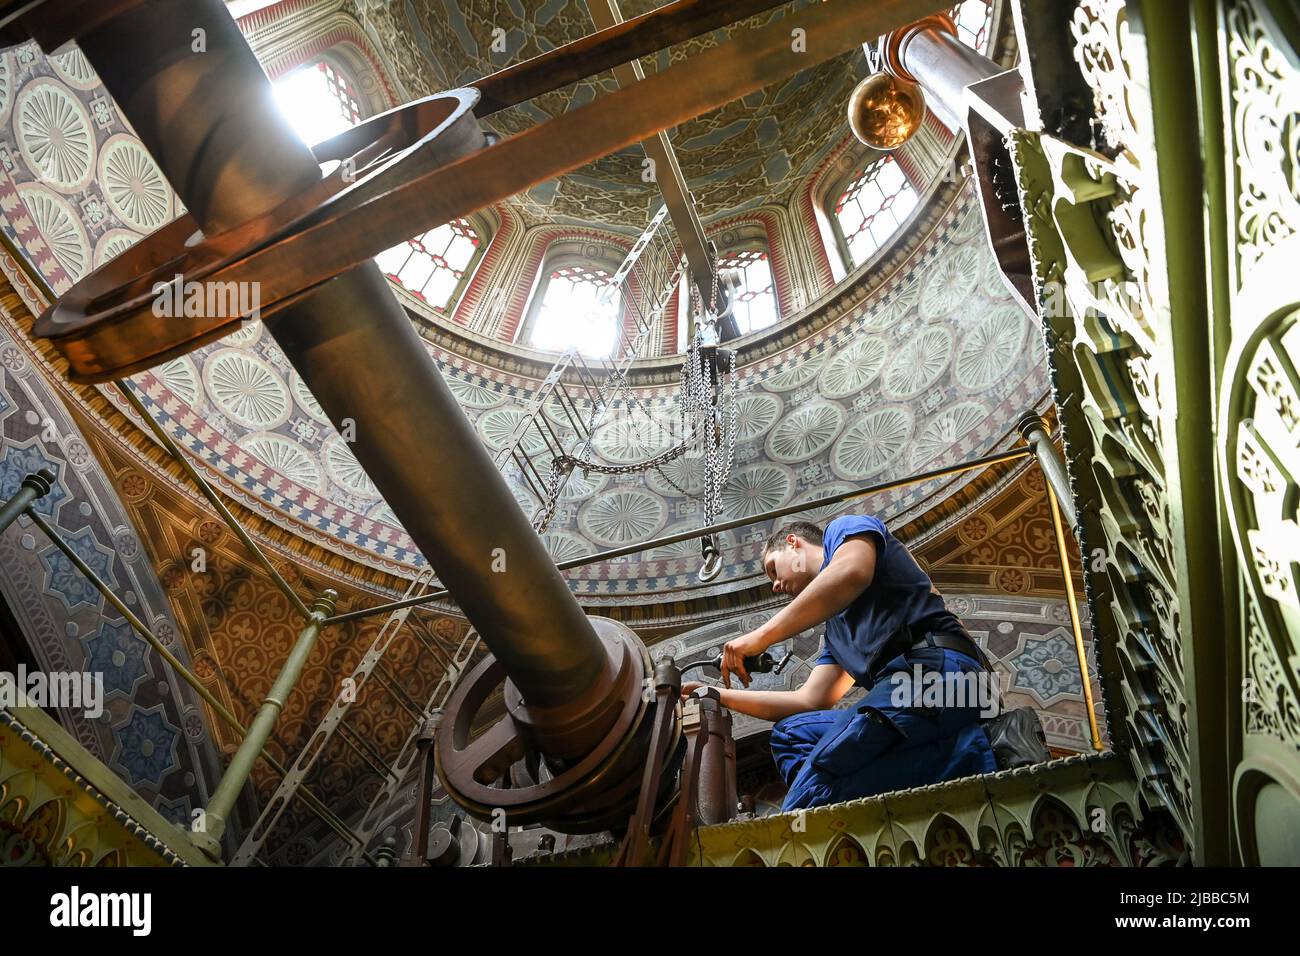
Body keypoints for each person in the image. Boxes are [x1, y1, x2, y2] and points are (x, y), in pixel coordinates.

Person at [681, 516, 1048, 811]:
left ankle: (794, 824)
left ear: (793, 542)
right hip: (909, 702)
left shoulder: (845, 530)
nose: (775, 585)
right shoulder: (836, 633)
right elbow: (810, 701)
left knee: (822, 772)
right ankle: (983, 749)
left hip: (946, 677)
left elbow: (852, 573)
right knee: (792, 736)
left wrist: (757, 638)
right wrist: (717, 694)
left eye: (773, 569)